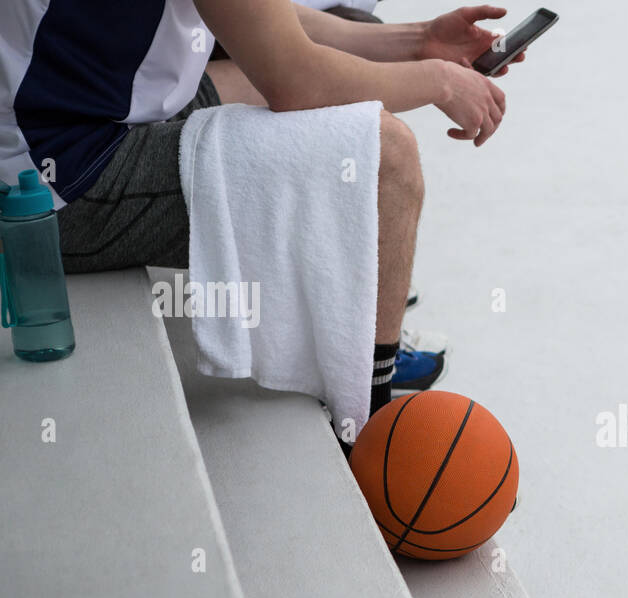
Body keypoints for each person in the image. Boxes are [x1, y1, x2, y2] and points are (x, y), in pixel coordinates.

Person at [0, 1, 524, 404]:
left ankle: (362, 321)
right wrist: (440, 81)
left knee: (335, 36)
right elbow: (299, 82)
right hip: (47, 188)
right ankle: (369, 430)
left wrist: (418, 42)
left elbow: (266, 21)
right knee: (381, 156)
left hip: (78, 125)